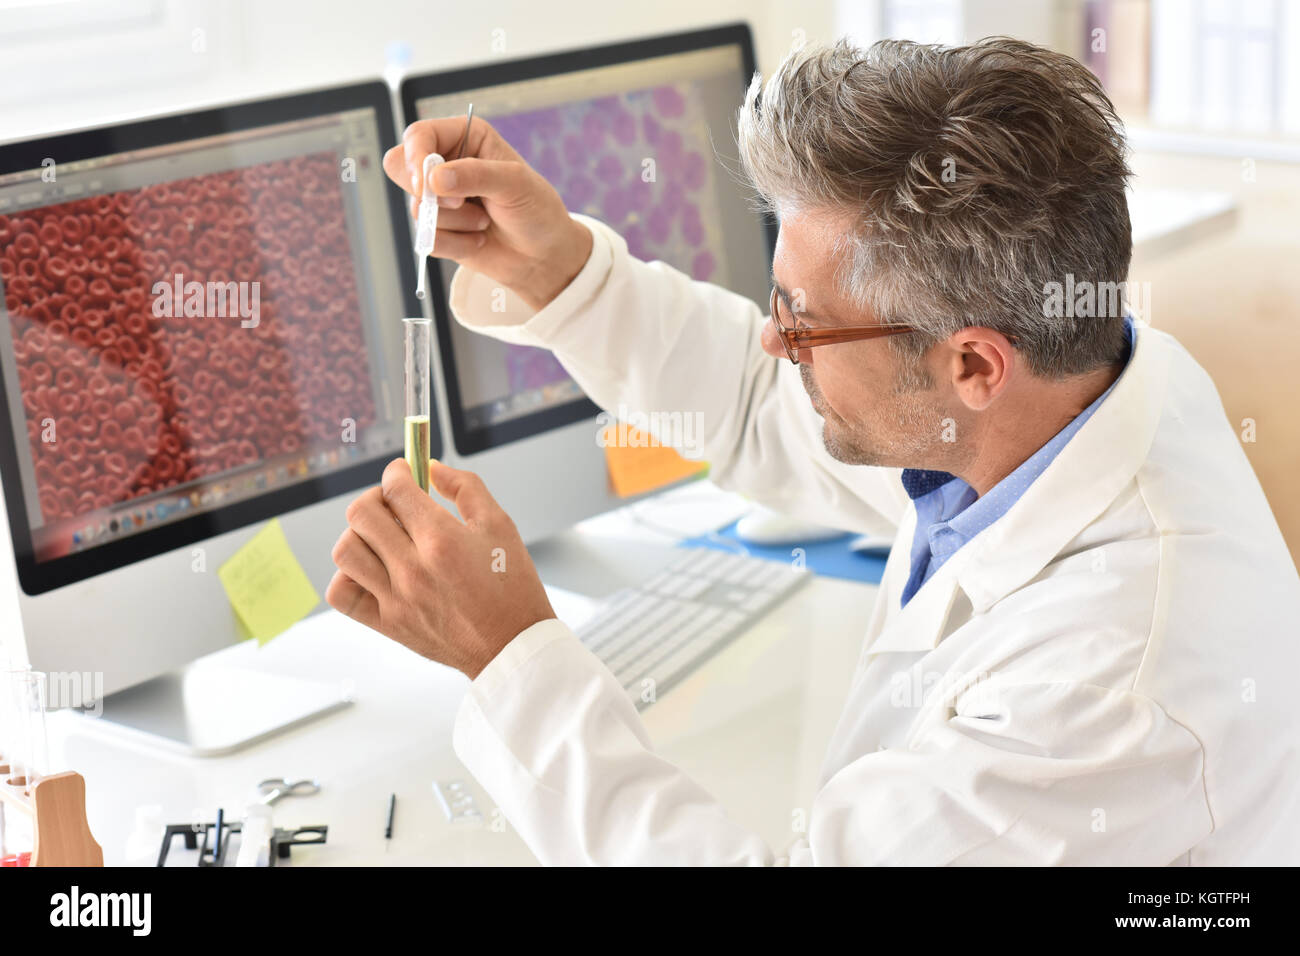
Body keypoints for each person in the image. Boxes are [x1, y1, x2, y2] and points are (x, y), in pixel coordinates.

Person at [327, 37, 1300, 864]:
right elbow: (760, 407)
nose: (772, 339)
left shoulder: (1113, 682)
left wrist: (508, 655)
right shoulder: (1074, 387)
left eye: (803, 322)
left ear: (971, 363)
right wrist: (558, 269)